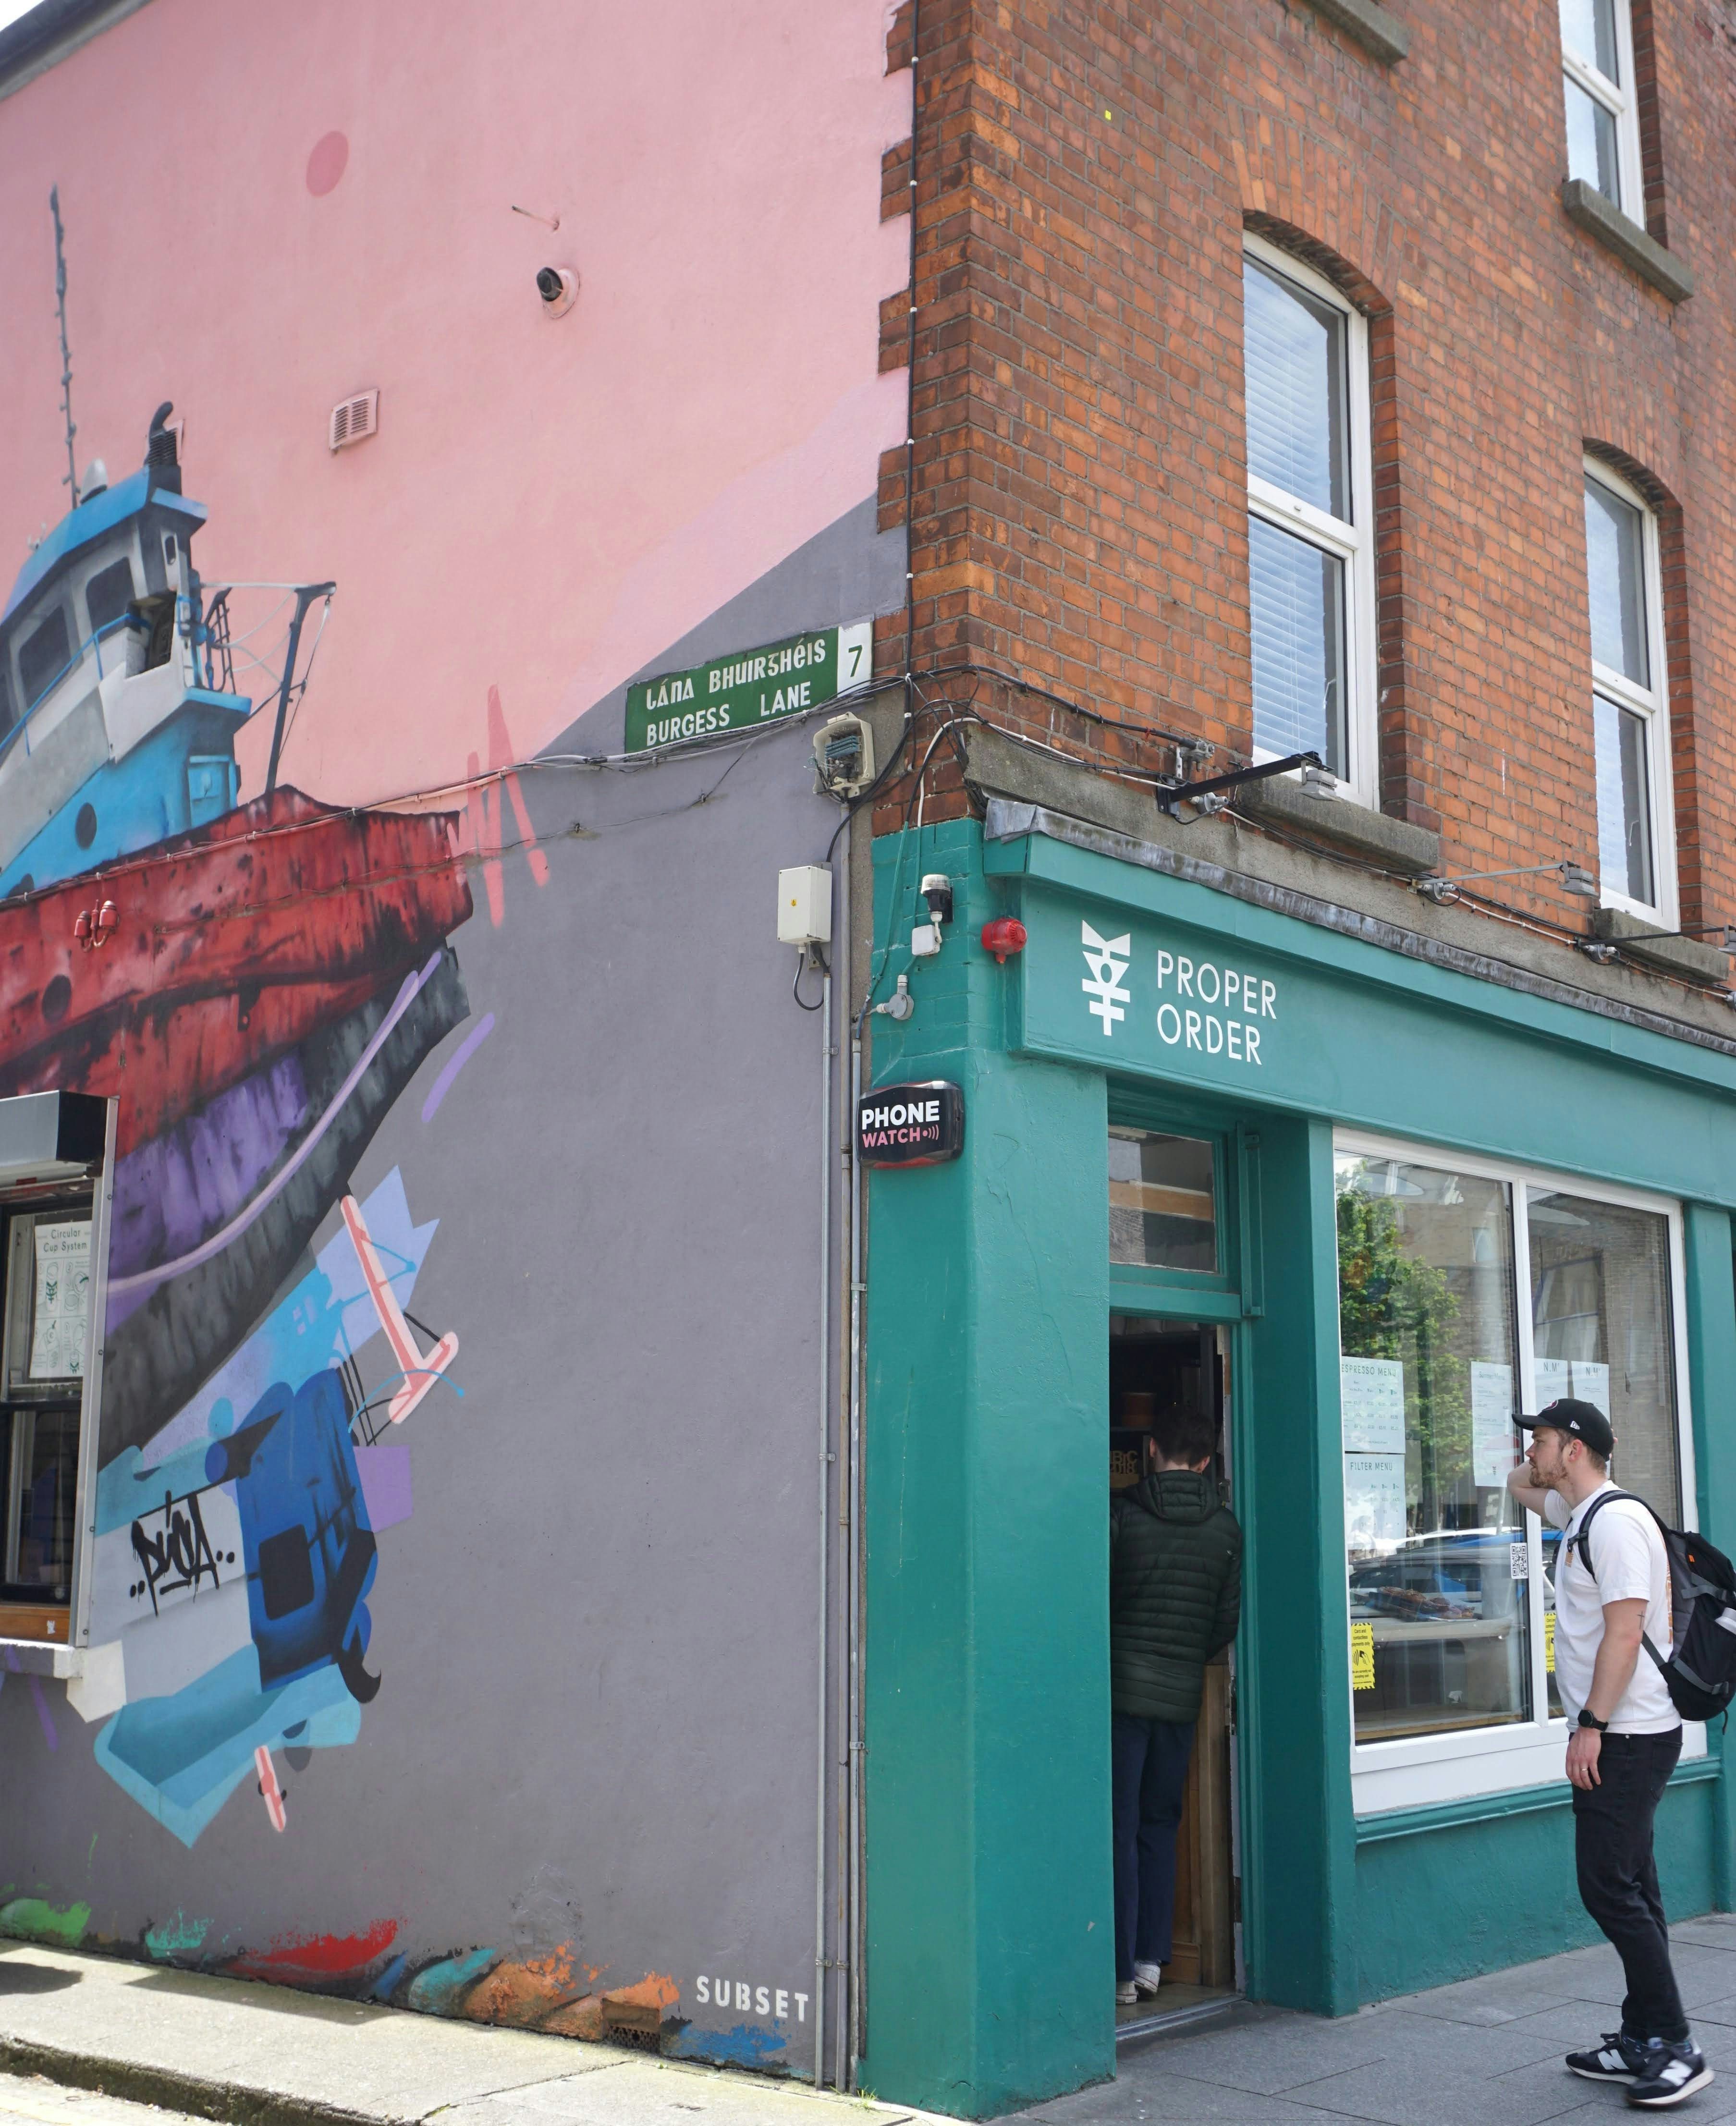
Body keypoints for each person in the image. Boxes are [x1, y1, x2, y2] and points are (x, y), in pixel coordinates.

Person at [1506, 1397, 1712, 2110]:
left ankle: (1679, 2046)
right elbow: (1517, 1486)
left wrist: (1589, 1724)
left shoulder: (1616, 1521)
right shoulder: (1583, 1517)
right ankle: (1639, 2038)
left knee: (1608, 1887)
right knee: (1633, 1883)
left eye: (1541, 1438)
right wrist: (1539, 1464)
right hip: (1618, 1731)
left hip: (1625, 1733)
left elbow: (1625, 1634)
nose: (1530, 1448)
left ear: (1574, 1449)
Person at [1108, 1399, 1241, 2006]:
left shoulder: (1120, 1516)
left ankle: (1115, 1967)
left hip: (1120, 1694)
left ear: (1152, 1452)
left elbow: (1099, 1605)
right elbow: (1222, 1624)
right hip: (1181, 1696)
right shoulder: (1225, 1529)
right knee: (1160, 1824)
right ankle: (1150, 1958)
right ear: (1210, 1459)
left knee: (1118, 1824)